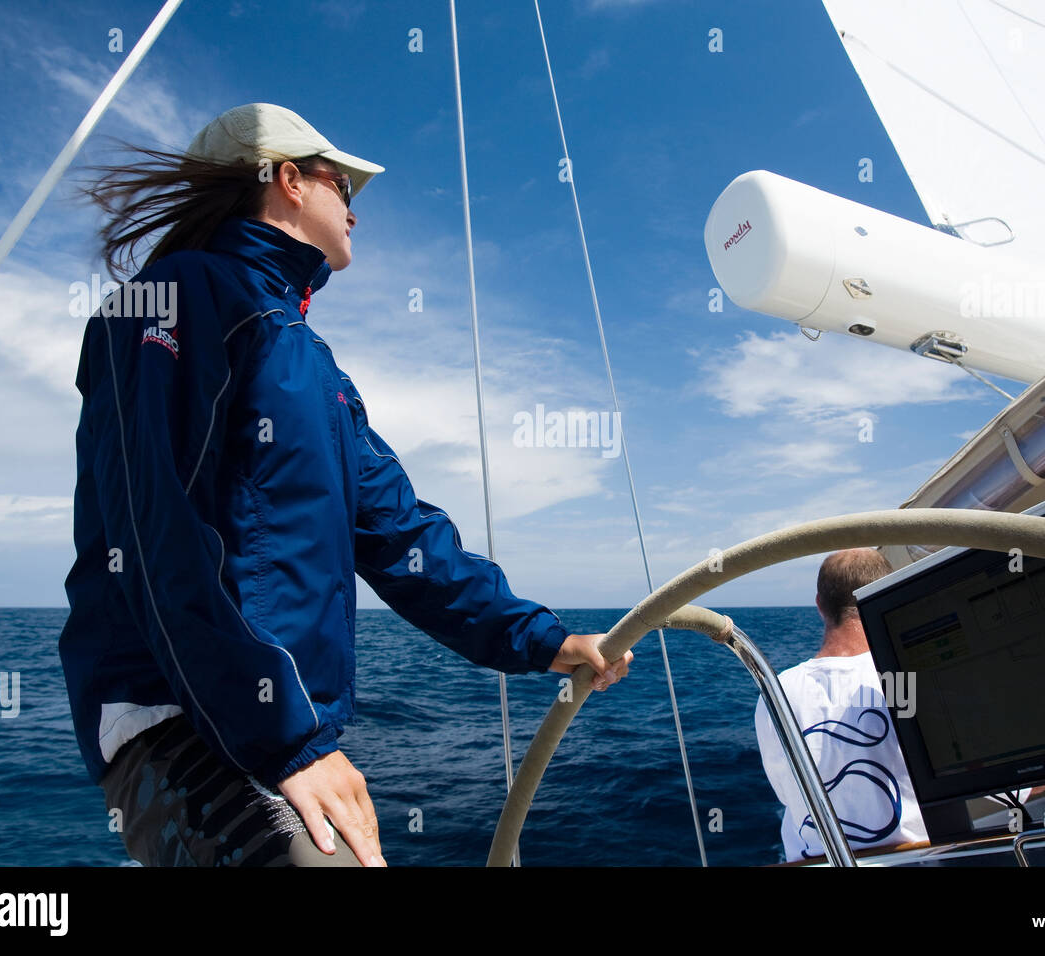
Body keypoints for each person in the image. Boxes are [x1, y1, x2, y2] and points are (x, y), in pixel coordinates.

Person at [58, 103, 632, 867]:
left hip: (266, 727)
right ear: (288, 180)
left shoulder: (312, 366)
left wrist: (543, 640)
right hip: (176, 714)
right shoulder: (173, 295)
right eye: (343, 186)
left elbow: (401, 538)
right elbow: (154, 523)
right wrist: (285, 742)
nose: (356, 210)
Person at [753, 548, 926, 862]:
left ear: (819, 604)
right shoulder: (903, 675)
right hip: (917, 857)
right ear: (886, 594)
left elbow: (785, 791)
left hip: (813, 860)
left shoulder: (776, 690)